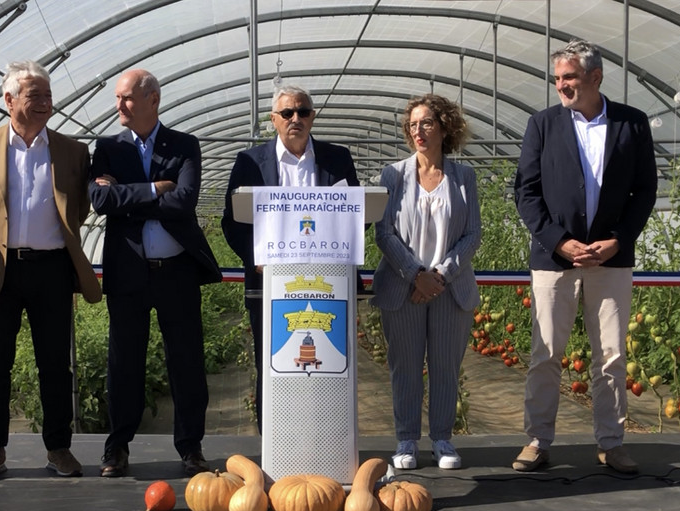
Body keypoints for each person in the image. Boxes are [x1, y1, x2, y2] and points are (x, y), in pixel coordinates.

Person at [512, 39, 657, 474]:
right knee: (546, 353)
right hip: (555, 259)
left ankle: (611, 443)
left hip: (610, 258)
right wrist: (558, 240)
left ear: (595, 78)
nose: (561, 86)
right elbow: (525, 191)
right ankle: (537, 440)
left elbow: (645, 190)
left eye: (569, 78)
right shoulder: (543, 124)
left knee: (611, 354)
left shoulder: (632, 124)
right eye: (557, 79)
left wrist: (617, 239)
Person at [0, 61, 102, 481]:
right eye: (34, 95)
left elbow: (78, 207)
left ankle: (59, 448)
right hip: (0, 269)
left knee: (55, 364)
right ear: (9, 100)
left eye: (47, 95)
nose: (45, 103)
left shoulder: (72, 151)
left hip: (52, 269)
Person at [89, 69, 221, 478]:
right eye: (117, 98)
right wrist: (152, 189)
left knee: (186, 360)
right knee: (124, 361)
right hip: (129, 271)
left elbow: (182, 203)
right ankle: (117, 448)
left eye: (127, 98)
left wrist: (125, 195)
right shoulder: (108, 147)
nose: (119, 106)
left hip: (176, 271)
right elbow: (98, 200)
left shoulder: (184, 145)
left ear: (152, 100)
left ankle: (191, 447)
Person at [221, 85, 359, 430]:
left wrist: (339, 251)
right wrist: (256, 258)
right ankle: (275, 442)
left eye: (303, 112)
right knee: (274, 363)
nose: (295, 119)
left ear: (312, 117)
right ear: (274, 120)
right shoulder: (251, 162)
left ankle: (325, 437)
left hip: (329, 285)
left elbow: (358, 215)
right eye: (287, 113)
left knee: (327, 364)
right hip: (269, 285)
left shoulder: (337, 158)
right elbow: (232, 221)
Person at [372, 94, 481, 470]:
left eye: (427, 123)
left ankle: (442, 439)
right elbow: (383, 233)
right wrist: (416, 275)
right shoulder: (392, 175)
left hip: (450, 290)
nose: (419, 131)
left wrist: (440, 276)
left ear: (445, 127)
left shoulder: (463, 177)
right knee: (404, 365)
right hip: (404, 288)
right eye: (413, 125)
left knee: (445, 366)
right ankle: (406, 440)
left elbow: (473, 234)